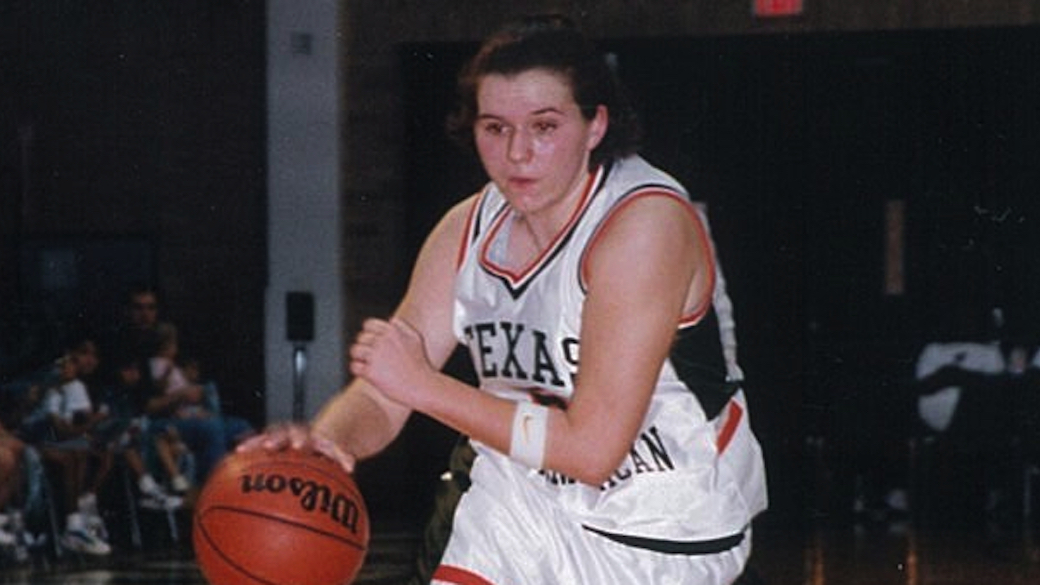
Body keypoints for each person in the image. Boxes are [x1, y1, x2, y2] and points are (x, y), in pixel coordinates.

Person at [241, 14, 767, 584]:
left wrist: (424, 386)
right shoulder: (465, 230)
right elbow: (386, 393)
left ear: (595, 126)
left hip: (666, 518)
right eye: (495, 128)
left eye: (544, 126)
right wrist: (324, 446)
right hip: (519, 498)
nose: (517, 153)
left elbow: (593, 451)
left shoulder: (643, 227)